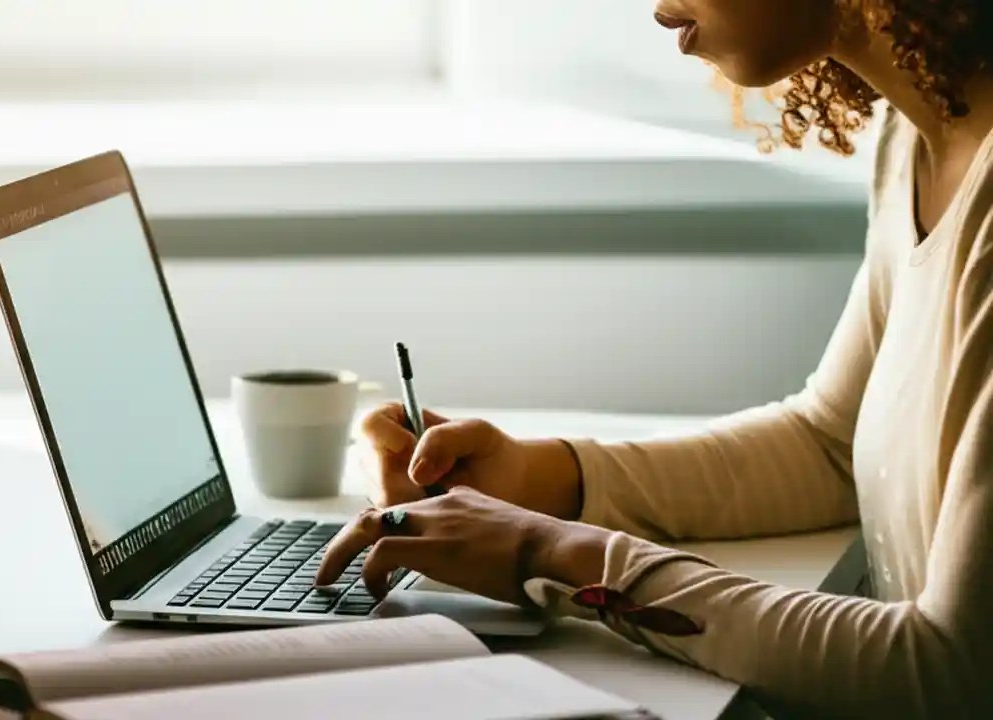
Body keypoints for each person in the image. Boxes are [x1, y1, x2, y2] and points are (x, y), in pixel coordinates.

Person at [314, 1, 993, 716]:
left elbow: (951, 668)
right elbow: (829, 443)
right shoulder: (919, 134)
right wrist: (537, 478)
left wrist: (554, 556)